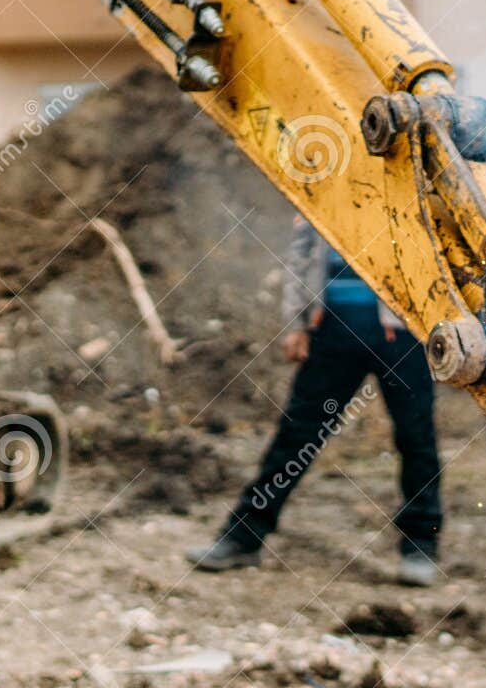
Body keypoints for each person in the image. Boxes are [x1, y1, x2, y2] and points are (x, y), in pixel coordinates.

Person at [185, 219, 446, 586]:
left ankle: (421, 545)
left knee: (416, 439)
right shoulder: (329, 180)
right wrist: (296, 322)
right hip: (332, 329)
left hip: (402, 335)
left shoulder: (415, 178)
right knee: (297, 436)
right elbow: (301, 255)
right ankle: (243, 536)